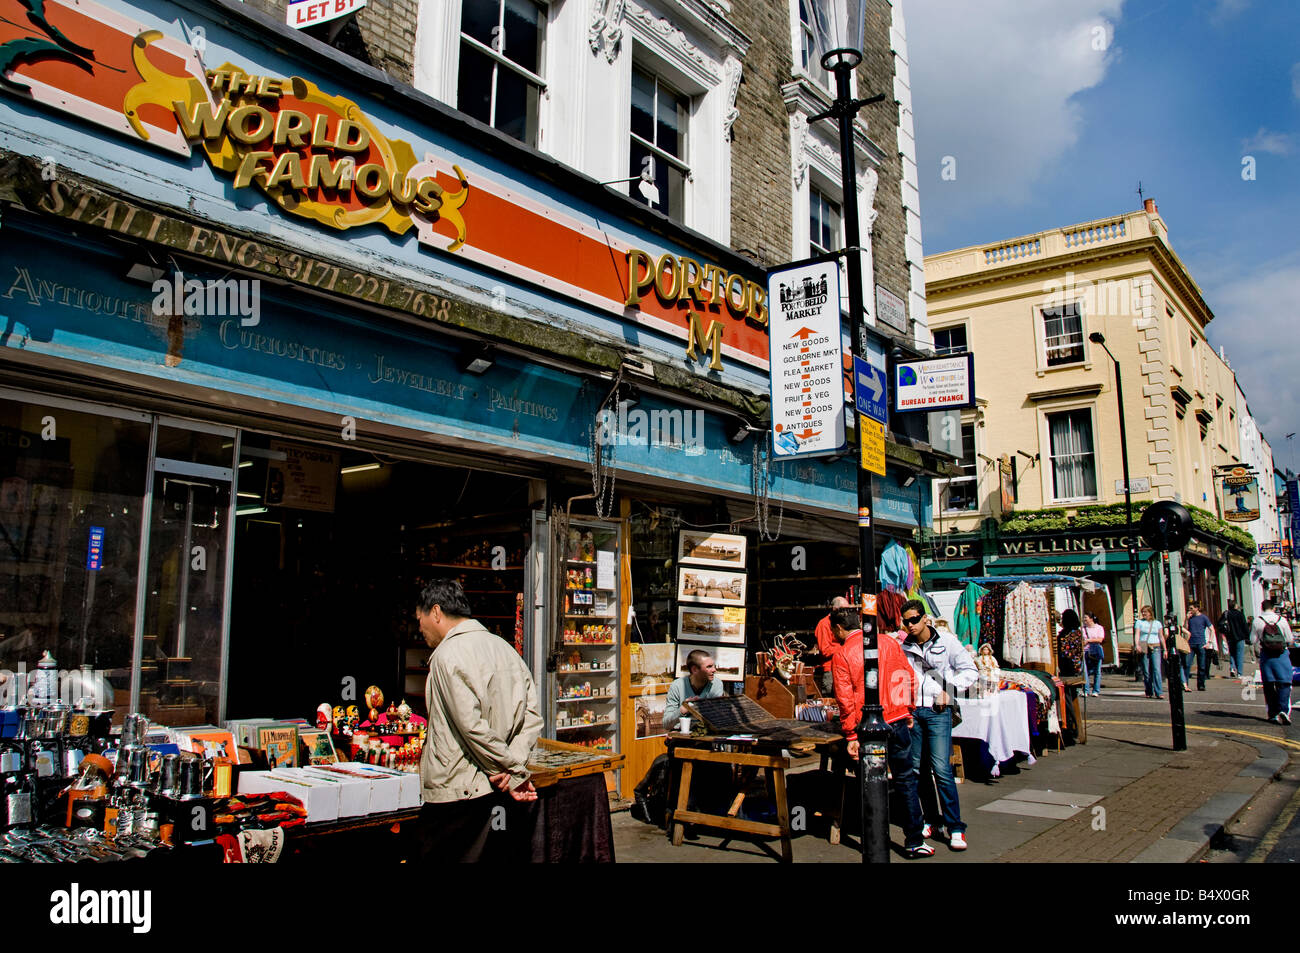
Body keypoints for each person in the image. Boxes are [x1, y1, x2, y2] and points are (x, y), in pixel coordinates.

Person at [414, 579, 543, 862]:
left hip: (458, 793)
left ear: (435, 612)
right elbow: (532, 717)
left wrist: (507, 769)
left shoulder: (446, 656)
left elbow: (471, 727)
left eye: (420, 618)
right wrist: (512, 768)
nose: (419, 628)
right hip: (496, 788)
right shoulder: (505, 649)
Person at [828, 607, 930, 858]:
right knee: (906, 778)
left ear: (840, 629)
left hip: (867, 726)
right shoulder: (888, 642)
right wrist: (907, 709)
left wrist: (851, 735)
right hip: (896, 718)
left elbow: (845, 699)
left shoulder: (842, 654)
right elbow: (906, 675)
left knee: (871, 782)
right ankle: (915, 839)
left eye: (834, 631)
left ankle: (874, 838)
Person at [900, 598, 977, 851]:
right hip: (915, 711)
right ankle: (931, 820)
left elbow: (970, 671)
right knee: (917, 769)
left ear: (924, 618)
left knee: (942, 769)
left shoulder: (947, 641)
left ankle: (955, 826)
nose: (910, 625)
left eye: (913, 619)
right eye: (905, 621)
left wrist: (950, 691)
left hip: (937, 710)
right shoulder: (904, 646)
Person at [1252, 600, 1295, 724]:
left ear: (1262, 608)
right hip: (1281, 654)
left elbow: (1253, 639)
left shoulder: (1257, 621)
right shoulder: (1281, 620)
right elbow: (1289, 638)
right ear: (1273, 608)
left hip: (1266, 655)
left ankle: (1273, 714)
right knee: (1285, 683)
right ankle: (1283, 710)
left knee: (1269, 685)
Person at [663, 649, 724, 731]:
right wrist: (683, 709)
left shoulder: (716, 684)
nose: (714, 670)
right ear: (694, 669)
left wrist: (701, 707)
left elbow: (716, 718)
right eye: (709, 667)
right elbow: (666, 724)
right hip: (682, 736)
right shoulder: (677, 686)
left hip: (706, 735)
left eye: (713, 666)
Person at [812, 596, 851, 694]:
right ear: (835, 609)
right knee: (831, 701)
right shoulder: (824, 624)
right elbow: (825, 650)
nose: (846, 612)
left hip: (844, 667)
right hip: (830, 670)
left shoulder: (843, 622)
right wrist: (844, 648)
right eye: (844, 609)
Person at [1135, 605, 1166, 699]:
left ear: (1150, 612)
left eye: (1146, 612)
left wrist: (1165, 649)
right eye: (1143, 612)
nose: (1144, 614)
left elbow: (1161, 636)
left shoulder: (1157, 623)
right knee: (1146, 670)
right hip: (1144, 646)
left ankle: (1159, 691)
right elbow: (1137, 634)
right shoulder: (1139, 622)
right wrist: (1137, 645)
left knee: (1156, 669)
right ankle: (1148, 690)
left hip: (1155, 646)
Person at [1181, 602, 1212, 691]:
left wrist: (1209, 642)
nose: (1190, 610)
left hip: (1201, 643)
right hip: (1191, 643)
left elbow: (1211, 629)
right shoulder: (1190, 618)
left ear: (1197, 608)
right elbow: (1185, 629)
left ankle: (1201, 684)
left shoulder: (1203, 618)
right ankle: (1185, 684)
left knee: (1201, 665)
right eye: (1189, 608)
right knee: (1187, 664)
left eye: (1191, 608)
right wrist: (1186, 619)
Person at [1218, 600, 1251, 679]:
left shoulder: (1226, 614)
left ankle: (1232, 668)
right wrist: (1247, 636)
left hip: (1230, 636)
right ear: (1235, 606)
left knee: (1232, 653)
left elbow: (1220, 623)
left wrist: (1224, 632)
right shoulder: (1240, 614)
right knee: (1239, 654)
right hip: (1240, 637)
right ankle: (1239, 673)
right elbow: (1244, 626)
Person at [1082, 612, 1106, 697]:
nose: (1084, 620)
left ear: (1091, 619)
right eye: (1084, 618)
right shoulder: (1083, 629)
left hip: (1096, 651)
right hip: (1086, 651)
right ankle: (1086, 690)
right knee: (1085, 672)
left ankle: (1096, 690)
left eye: (1086, 618)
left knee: (1097, 671)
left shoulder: (1099, 628)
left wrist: (1088, 640)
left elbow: (1100, 639)